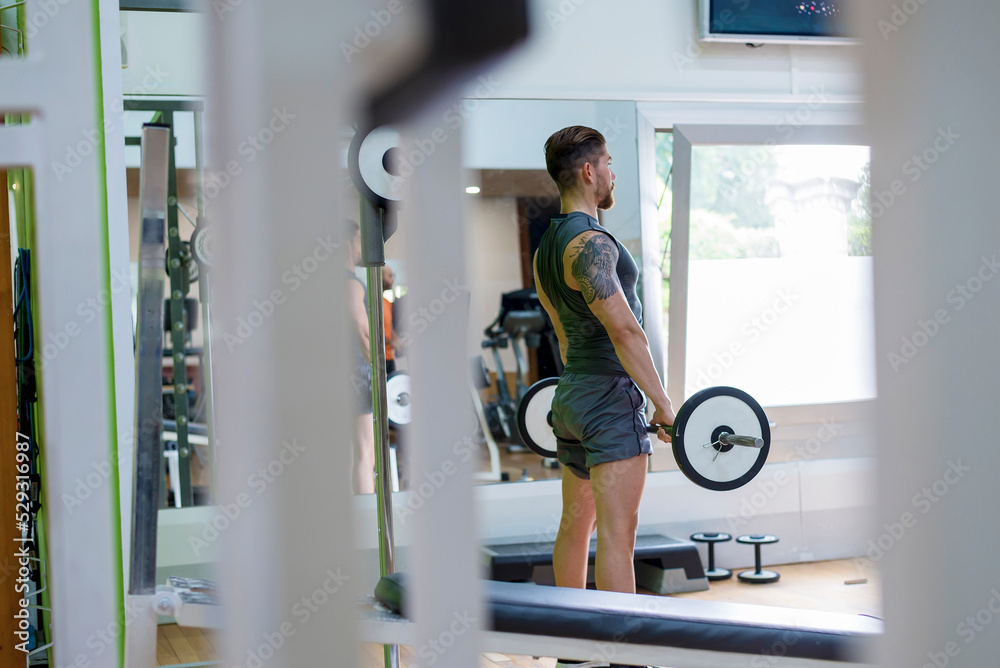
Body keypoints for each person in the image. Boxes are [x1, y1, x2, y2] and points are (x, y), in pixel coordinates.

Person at [533, 126, 675, 668]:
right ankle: (624, 658)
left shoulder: (549, 244)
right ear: (589, 172)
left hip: (570, 396)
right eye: (610, 162)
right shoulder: (590, 242)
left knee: (576, 521)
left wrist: (582, 390)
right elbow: (626, 331)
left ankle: (570, 649)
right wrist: (663, 405)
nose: (613, 172)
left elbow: (564, 333)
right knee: (620, 534)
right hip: (608, 398)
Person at [345, 220, 376, 494]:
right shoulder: (351, 284)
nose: (361, 247)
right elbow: (362, 332)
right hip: (355, 374)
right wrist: (379, 370)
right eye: (358, 240)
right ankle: (369, 522)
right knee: (366, 455)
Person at [382, 265, 401, 375]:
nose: (392, 279)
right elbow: (373, 333)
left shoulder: (387, 303)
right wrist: (391, 342)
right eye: (389, 276)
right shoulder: (373, 303)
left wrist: (396, 339)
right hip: (379, 358)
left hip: (389, 357)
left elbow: (389, 327)